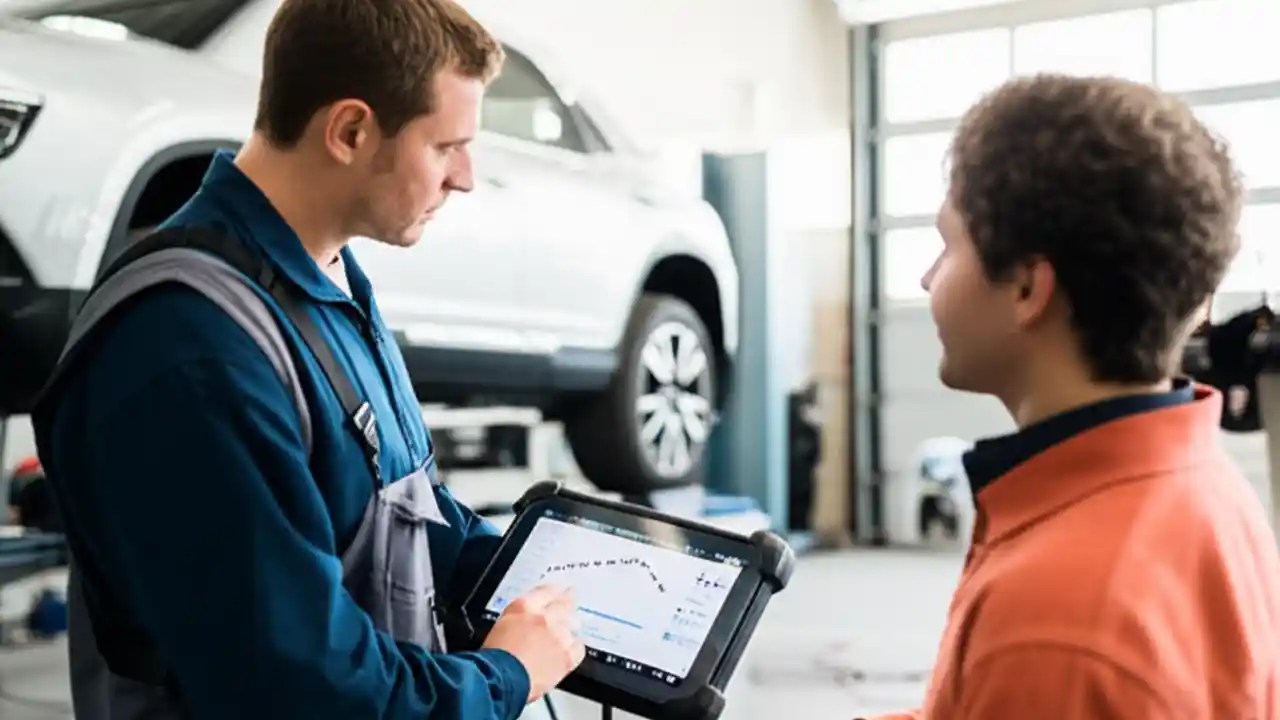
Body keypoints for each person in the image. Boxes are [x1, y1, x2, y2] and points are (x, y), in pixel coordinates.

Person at [31, 1, 584, 718]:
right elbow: (302, 689)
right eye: (446, 146)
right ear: (350, 131)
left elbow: (400, 511)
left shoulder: (325, 283)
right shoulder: (188, 347)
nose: (465, 177)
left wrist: (532, 581)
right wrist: (506, 675)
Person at [865, 75, 1280, 719]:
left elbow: (1053, 672)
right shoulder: (1202, 486)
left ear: (1027, 289)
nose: (926, 277)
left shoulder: (1053, 621)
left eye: (947, 245)